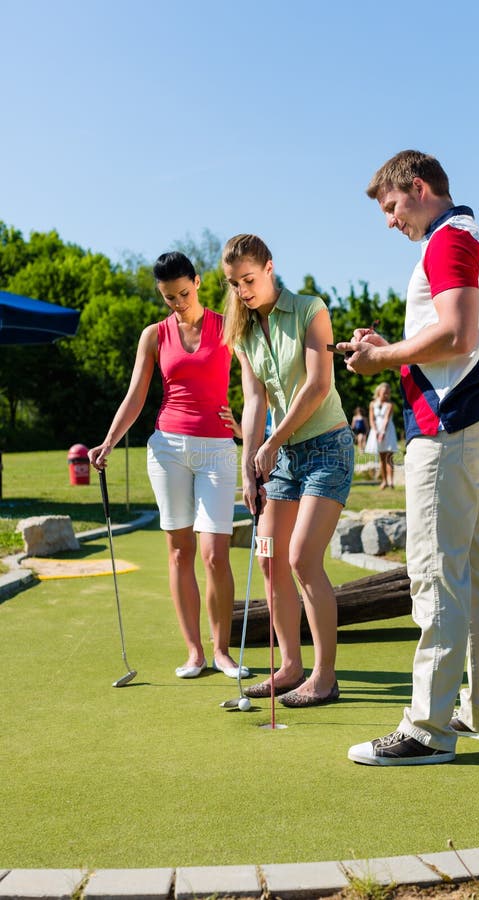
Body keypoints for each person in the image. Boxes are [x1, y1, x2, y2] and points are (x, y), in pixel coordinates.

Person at [338, 150, 479, 765]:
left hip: (451, 426)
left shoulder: (446, 239)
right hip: (472, 418)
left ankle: (428, 730)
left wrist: (381, 361)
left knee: (436, 574)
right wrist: (393, 350)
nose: (390, 221)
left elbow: (458, 334)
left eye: (390, 207)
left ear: (417, 188)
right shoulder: (467, 236)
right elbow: (450, 341)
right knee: (473, 571)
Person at [88, 251, 248, 682]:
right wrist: (108, 442)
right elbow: (136, 395)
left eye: (183, 292)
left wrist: (246, 426)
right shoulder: (154, 335)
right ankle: (194, 652)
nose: (177, 303)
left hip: (216, 448)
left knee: (216, 554)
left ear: (197, 282)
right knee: (180, 551)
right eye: (168, 297)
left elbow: (256, 380)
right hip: (167, 449)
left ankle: (222, 651)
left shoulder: (228, 324)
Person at [222, 233, 354, 707]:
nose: (243, 291)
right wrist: (247, 467)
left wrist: (272, 443)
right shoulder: (243, 331)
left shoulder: (309, 309)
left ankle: (324, 676)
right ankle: (291, 667)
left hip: (325, 448)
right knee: (269, 555)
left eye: (250, 280)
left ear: (271, 268)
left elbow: (319, 384)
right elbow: (254, 400)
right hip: (281, 461)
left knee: (301, 558)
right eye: (235, 284)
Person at [364, 383, 398, 488]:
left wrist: (382, 432)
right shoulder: (372, 404)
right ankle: (384, 481)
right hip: (376, 431)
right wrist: (376, 431)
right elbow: (371, 419)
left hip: (387, 430)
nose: (387, 394)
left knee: (389, 457)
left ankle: (391, 481)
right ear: (379, 392)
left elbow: (387, 419)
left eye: (388, 392)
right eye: (385, 392)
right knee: (382, 457)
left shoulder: (390, 405)